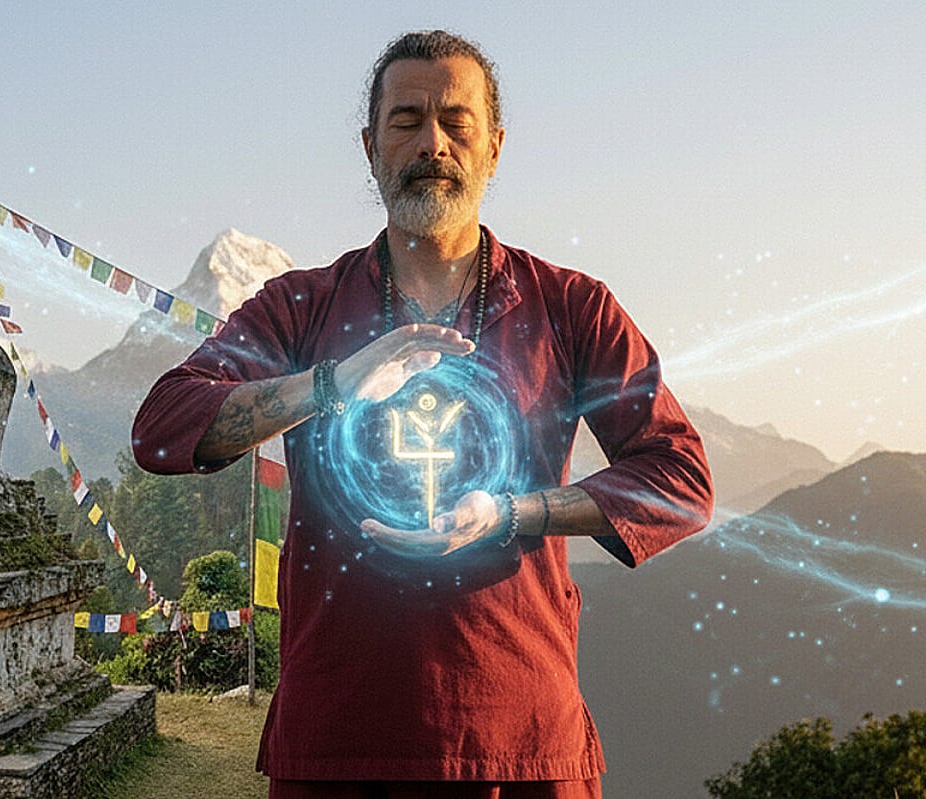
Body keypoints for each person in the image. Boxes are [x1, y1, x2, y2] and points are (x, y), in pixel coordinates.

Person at [133, 30, 713, 799]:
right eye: (406, 120)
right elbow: (161, 425)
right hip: (337, 742)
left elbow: (680, 480)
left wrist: (514, 511)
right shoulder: (302, 307)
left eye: (456, 120)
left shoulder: (572, 308)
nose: (432, 142)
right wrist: (331, 384)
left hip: (521, 742)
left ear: (494, 147)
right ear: (370, 146)